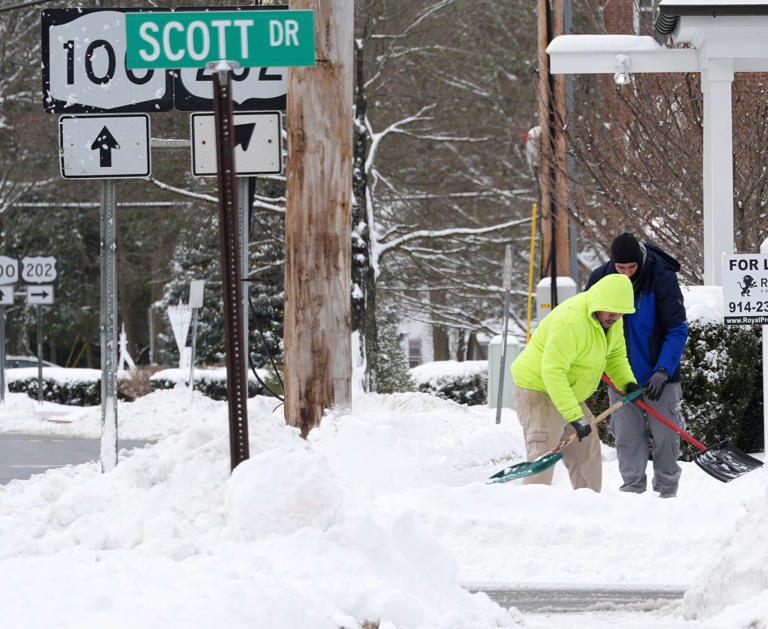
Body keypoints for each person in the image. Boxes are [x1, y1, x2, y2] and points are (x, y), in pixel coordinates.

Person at [510, 273, 639, 492]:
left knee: (587, 451)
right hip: (538, 389)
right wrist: (574, 415)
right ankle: (531, 511)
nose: (616, 316)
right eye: (612, 310)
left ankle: (588, 507)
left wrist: (627, 382)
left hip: (567, 391)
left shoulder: (612, 321)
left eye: (620, 312)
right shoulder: (570, 322)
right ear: (599, 302)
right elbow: (553, 371)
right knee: (543, 455)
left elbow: (616, 357)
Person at [586, 233, 688, 498]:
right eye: (622, 268)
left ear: (641, 259)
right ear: (613, 263)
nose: (628, 273)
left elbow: (677, 330)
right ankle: (632, 493)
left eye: (632, 267)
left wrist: (663, 370)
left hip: (660, 375)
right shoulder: (600, 279)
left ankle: (667, 493)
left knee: (666, 437)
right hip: (620, 376)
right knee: (627, 437)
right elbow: (588, 326)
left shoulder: (662, 278)